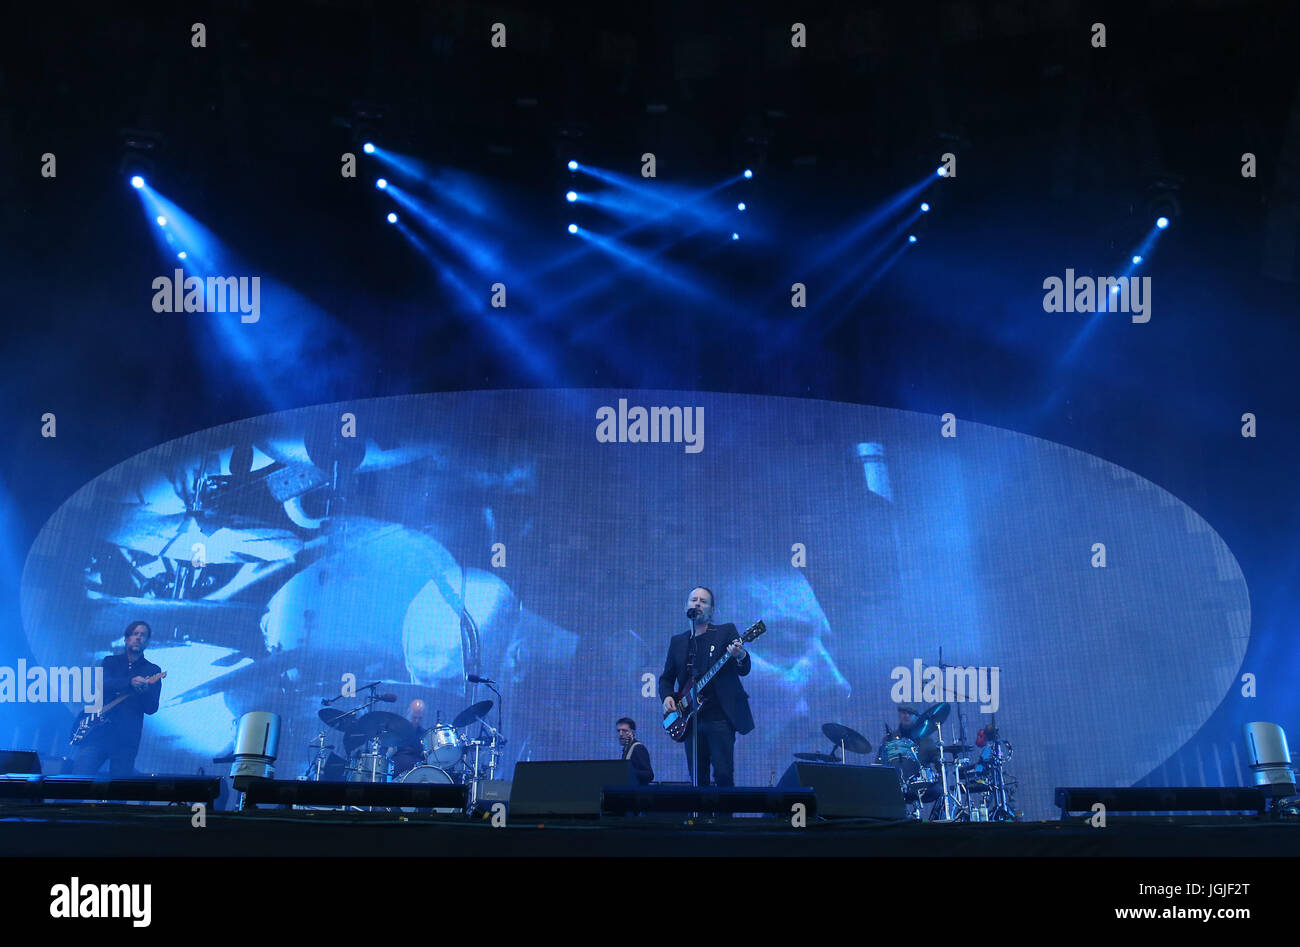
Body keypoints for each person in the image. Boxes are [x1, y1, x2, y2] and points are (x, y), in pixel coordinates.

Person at [659, 587, 753, 787]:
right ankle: (700, 818)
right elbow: (666, 678)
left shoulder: (725, 631)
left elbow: (743, 669)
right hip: (690, 720)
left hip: (719, 716)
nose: (698, 604)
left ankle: (724, 819)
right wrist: (667, 697)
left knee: (723, 774)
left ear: (712, 610)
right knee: (697, 778)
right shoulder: (678, 641)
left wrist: (740, 655)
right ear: (687, 606)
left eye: (703, 601)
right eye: (694, 600)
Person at [72, 620, 163, 776]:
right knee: (79, 780)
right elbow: (102, 686)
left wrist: (145, 691)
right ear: (127, 639)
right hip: (97, 732)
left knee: (119, 787)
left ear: (147, 642)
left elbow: (151, 708)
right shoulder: (109, 662)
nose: (138, 638)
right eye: (135, 634)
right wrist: (129, 682)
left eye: (143, 635)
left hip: (126, 739)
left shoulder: (153, 670)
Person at [616, 717, 653, 785]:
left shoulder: (638, 748)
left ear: (633, 732)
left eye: (624, 730)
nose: (620, 734)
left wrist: (628, 772)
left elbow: (649, 774)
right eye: (619, 731)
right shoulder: (626, 749)